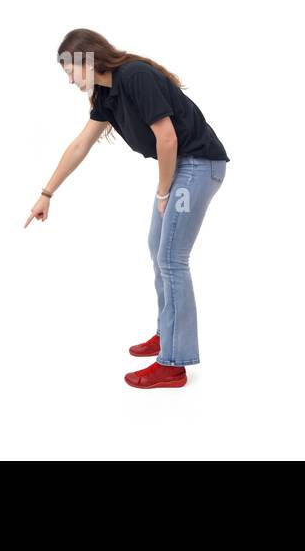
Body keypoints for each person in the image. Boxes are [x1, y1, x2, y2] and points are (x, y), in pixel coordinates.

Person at [26, 29, 229, 389]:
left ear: (88, 60)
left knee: (171, 258)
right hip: (181, 168)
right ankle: (167, 333)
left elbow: (167, 138)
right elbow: (80, 145)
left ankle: (174, 363)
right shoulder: (106, 93)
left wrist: (164, 191)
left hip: (197, 165)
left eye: (71, 70)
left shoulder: (136, 77)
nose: (70, 79)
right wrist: (47, 193)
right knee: (158, 250)